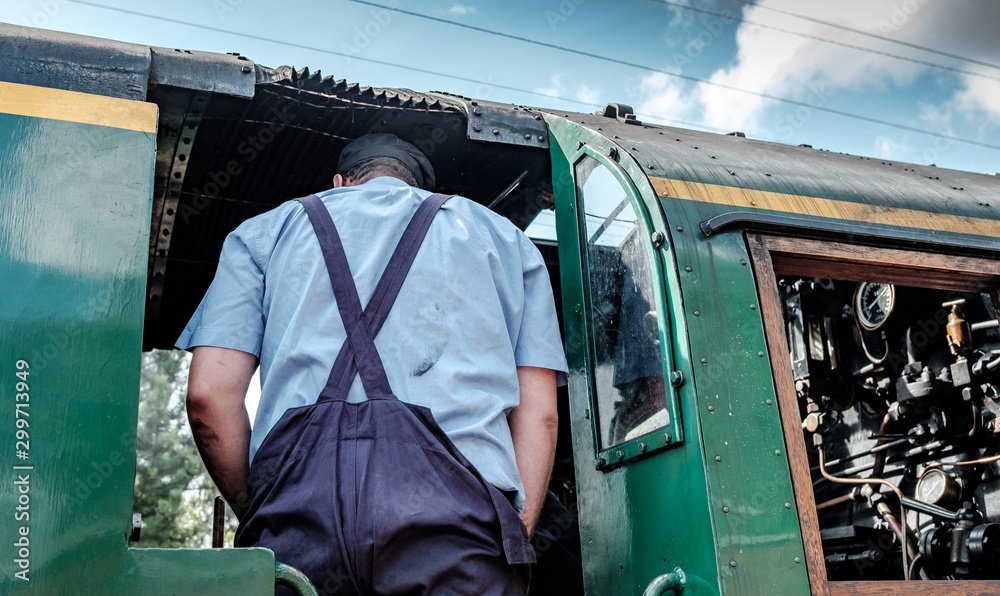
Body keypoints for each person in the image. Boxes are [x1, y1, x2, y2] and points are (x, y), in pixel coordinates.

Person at [178, 133, 568, 595]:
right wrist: (515, 528)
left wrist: (262, 507)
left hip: (299, 521)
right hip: (461, 528)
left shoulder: (262, 233)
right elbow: (540, 415)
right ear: (419, 190)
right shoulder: (505, 240)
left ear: (340, 183)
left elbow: (208, 399)